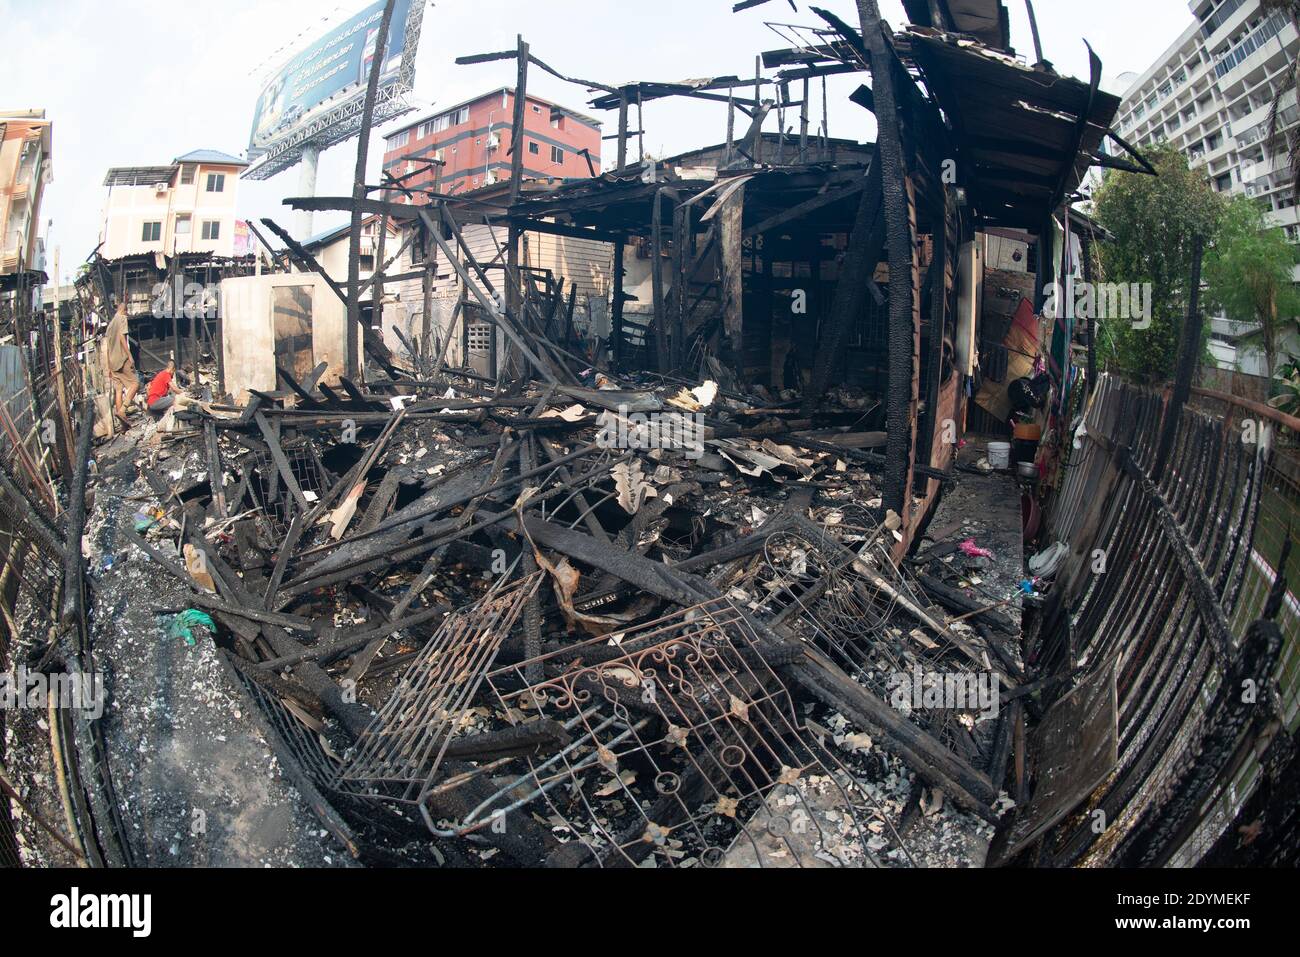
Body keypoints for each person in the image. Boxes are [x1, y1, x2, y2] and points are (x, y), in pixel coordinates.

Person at [103, 302, 138, 425]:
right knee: (135, 384)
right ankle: (123, 410)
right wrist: (129, 355)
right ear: (124, 310)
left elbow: (107, 347)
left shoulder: (110, 324)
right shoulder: (122, 318)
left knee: (119, 390)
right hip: (122, 359)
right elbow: (122, 338)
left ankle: (123, 425)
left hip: (112, 362)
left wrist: (108, 367)